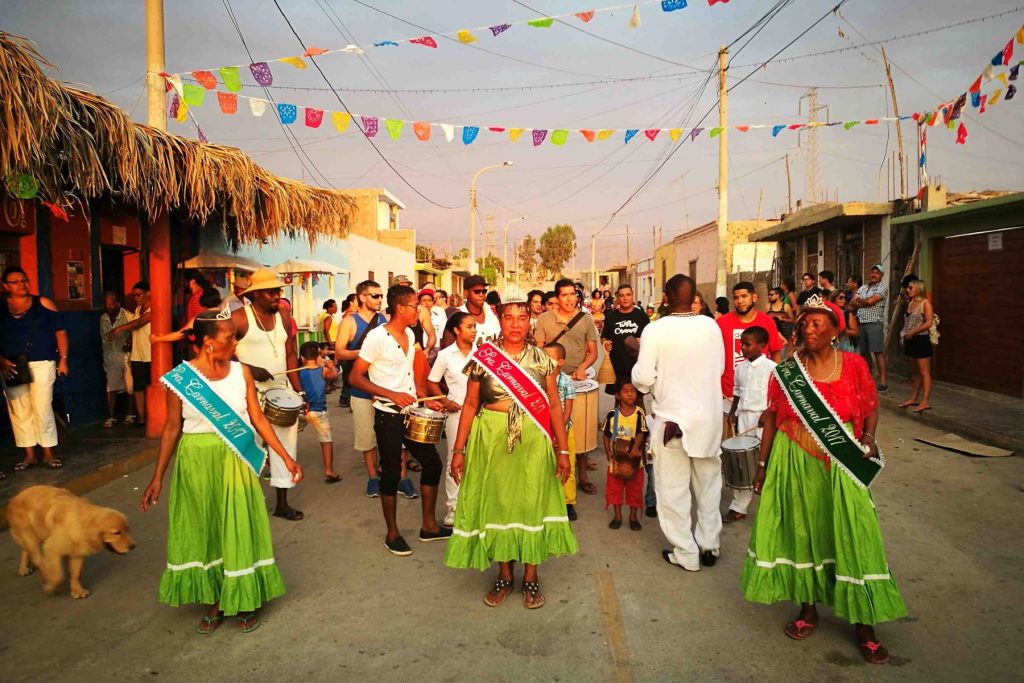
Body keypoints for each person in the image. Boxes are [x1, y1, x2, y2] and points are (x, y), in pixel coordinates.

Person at [741, 294, 906, 665]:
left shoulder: (854, 365)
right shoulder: (786, 371)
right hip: (794, 458)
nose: (807, 328)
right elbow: (771, 419)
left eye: (817, 323)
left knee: (854, 529)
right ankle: (808, 607)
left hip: (840, 461)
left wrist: (867, 438)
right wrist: (763, 466)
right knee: (803, 531)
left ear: (834, 331)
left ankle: (864, 622)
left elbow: (869, 408)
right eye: (803, 322)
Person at [141, 310, 303, 635]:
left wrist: (285, 456)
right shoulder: (181, 378)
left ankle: (242, 599)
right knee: (208, 528)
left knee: (238, 525)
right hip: (196, 462)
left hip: (234, 459)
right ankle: (216, 599)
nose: (235, 341)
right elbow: (172, 428)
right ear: (207, 342)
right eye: (229, 337)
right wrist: (157, 476)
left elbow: (257, 419)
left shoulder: (241, 372)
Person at [445, 299, 576, 609]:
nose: (515, 324)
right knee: (499, 503)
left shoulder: (542, 359)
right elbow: (469, 405)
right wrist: (459, 449)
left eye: (522, 318)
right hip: (491, 438)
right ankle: (504, 574)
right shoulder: (484, 358)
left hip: (532, 439)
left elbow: (554, 406)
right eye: (509, 318)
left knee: (531, 502)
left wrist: (564, 449)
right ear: (499, 321)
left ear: (529, 322)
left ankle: (531, 575)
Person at [349, 285, 451, 556]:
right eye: (415, 305)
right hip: (387, 416)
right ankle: (392, 533)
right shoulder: (376, 337)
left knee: (432, 463)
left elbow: (409, 379)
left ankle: (428, 526)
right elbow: (355, 378)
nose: (420, 310)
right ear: (400, 308)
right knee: (392, 472)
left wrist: (426, 397)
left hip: (410, 413)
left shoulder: (408, 334)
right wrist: (391, 394)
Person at [632, 274, 725, 571]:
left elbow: (643, 378)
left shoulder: (655, 329)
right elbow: (720, 368)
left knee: (673, 490)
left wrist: (652, 381)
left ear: (665, 297)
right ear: (694, 296)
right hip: (708, 420)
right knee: (709, 485)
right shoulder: (711, 326)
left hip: (672, 421)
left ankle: (686, 553)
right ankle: (710, 544)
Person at [232, 269, 304, 522]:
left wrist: (299, 391)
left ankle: (282, 504)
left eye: (278, 291)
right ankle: (246, 503)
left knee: (285, 446)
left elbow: (291, 354)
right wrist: (249, 369)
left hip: (281, 392)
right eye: (272, 292)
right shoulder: (239, 318)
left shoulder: (284, 317)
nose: (277, 296)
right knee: (249, 447)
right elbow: (221, 353)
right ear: (255, 295)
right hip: (246, 394)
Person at [336, 280, 416, 497]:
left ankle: (401, 477)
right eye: (374, 296)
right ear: (362, 297)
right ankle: (373, 477)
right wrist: (367, 354)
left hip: (385, 390)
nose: (379, 300)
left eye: (381, 296)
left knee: (397, 437)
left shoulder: (383, 320)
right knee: (366, 437)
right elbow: (339, 352)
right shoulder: (350, 322)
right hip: (362, 389)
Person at [534, 278, 599, 495]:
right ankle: (547, 478)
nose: (570, 299)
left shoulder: (586, 320)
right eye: (565, 295)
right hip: (550, 381)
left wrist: (582, 367)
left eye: (573, 294)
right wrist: (549, 373)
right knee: (551, 429)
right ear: (557, 297)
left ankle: (582, 475)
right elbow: (538, 350)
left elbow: (593, 353)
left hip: (577, 380)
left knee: (578, 431)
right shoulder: (544, 319)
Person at [1, 266, 69, 471]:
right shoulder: (1, 308)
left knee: (42, 407)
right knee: (19, 410)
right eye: (16, 281)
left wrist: (63, 359)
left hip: (42, 362)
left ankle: (48, 453)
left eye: (24, 280)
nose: (22, 284)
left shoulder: (43, 303)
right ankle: (29, 454)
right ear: (5, 286)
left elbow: (60, 332)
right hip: (12, 365)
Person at [718, 282, 785, 450]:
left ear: (754, 297)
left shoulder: (767, 322)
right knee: (732, 450)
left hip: (761, 401)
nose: (740, 301)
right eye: (736, 297)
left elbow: (776, 352)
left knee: (763, 448)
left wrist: (775, 391)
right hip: (727, 396)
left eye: (744, 296)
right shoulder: (722, 323)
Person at [427, 312, 477, 527]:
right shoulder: (446, 355)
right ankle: (453, 507)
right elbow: (432, 382)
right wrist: (445, 401)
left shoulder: (483, 354)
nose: (474, 331)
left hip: (481, 412)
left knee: (479, 457)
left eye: (475, 327)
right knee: (455, 458)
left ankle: (476, 502)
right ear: (457, 330)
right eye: (469, 327)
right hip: (456, 413)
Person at [723, 326, 776, 523]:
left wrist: (768, 413)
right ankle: (739, 507)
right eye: (741, 344)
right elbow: (737, 392)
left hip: (763, 422)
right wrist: (732, 412)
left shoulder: (771, 368)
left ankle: (772, 508)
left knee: (765, 462)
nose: (742, 347)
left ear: (762, 345)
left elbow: (776, 397)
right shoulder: (740, 368)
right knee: (743, 463)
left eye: (747, 344)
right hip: (744, 419)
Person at [602, 380, 648, 531]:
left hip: (634, 460)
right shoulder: (612, 415)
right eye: (626, 391)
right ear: (617, 395)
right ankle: (617, 516)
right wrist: (608, 451)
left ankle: (633, 517)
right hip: (617, 459)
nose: (630, 394)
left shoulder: (639, 413)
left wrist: (635, 448)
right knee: (615, 488)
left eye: (633, 391)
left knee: (635, 488)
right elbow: (607, 435)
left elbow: (641, 432)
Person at [298, 341, 341, 483]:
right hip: (319, 411)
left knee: (288, 437)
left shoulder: (297, 372)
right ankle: (329, 470)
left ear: (302, 358)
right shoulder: (322, 370)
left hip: (302, 411)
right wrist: (328, 364)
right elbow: (334, 375)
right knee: (326, 440)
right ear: (318, 356)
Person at [109, 281, 151, 427]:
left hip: (151, 354)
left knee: (151, 386)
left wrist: (118, 329)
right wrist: (129, 340)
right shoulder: (139, 309)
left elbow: (139, 323)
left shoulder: (153, 309)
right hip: (138, 354)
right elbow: (136, 328)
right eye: (134, 295)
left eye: (138, 295)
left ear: (148, 293)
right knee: (138, 387)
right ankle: (141, 418)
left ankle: (151, 417)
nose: (136, 298)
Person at [543, 342, 577, 521]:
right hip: (544, 430)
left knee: (567, 464)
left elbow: (567, 409)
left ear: (561, 361)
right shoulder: (539, 379)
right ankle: (548, 499)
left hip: (564, 430)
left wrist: (559, 432)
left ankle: (568, 502)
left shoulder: (566, 381)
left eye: (549, 358)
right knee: (546, 465)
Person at [601, 284, 649, 398]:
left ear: (633, 296)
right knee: (620, 402)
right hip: (617, 368)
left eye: (628, 295)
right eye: (622, 296)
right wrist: (605, 344)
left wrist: (643, 341)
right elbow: (604, 336)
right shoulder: (611, 317)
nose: (625, 298)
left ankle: (639, 416)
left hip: (637, 367)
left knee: (638, 401)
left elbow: (651, 338)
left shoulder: (642, 316)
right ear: (617, 298)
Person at [849, 264, 889, 391]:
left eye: (877, 273)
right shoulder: (864, 287)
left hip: (875, 322)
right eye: (872, 272)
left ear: (881, 275)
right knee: (864, 353)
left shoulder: (882, 287)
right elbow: (851, 303)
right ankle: (868, 379)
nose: (874, 275)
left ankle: (883, 381)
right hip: (862, 322)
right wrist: (865, 302)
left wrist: (861, 301)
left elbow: (871, 302)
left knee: (878, 352)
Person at [898, 279, 934, 413]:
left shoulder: (925, 304)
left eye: (911, 288)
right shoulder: (911, 303)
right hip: (910, 339)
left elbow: (929, 322)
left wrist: (913, 331)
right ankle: (914, 397)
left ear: (918, 289)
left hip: (921, 339)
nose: (908, 290)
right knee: (915, 371)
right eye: (908, 288)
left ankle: (925, 400)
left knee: (924, 371)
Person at [99, 291, 134, 428]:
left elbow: (136, 333)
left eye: (111, 305)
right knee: (111, 388)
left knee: (130, 387)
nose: (108, 308)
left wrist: (130, 341)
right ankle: (111, 416)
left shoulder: (128, 316)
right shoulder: (103, 318)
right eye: (106, 305)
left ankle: (131, 413)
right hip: (110, 357)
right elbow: (104, 336)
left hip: (126, 357)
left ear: (118, 304)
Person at [766, 287, 795, 353]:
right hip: (772, 333)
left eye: (771, 295)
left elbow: (793, 320)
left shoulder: (786, 306)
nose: (769, 296)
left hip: (785, 333)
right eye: (769, 295)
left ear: (778, 295)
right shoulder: (768, 306)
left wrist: (782, 319)